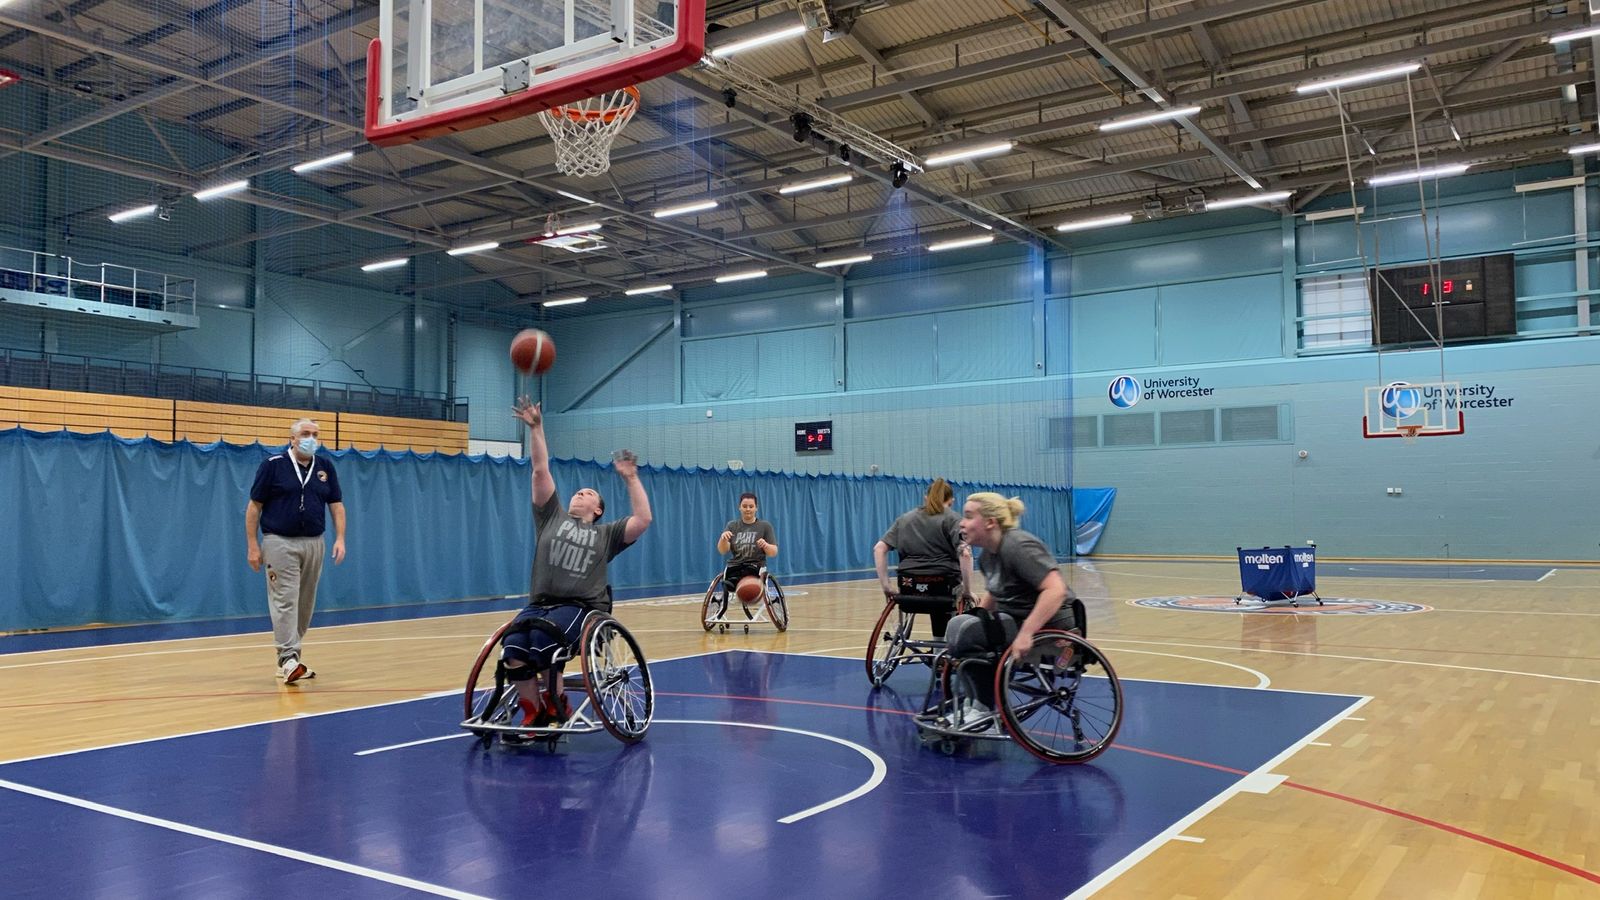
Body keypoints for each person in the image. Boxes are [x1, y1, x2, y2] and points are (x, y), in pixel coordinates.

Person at [500, 396, 651, 731]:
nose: (579, 494)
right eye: (577, 492)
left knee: (542, 640)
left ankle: (557, 704)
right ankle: (533, 709)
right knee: (512, 645)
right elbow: (541, 469)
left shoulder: (606, 534)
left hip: (580, 608)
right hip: (539, 604)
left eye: (588, 494)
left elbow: (643, 519)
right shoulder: (549, 517)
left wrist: (630, 478)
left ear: (598, 510)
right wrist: (537, 428)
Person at [942, 492, 1077, 728]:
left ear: (990, 522)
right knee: (960, 625)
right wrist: (973, 617)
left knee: (969, 633)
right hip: (1015, 619)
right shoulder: (988, 556)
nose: (961, 523)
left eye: (969, 516)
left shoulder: (1018, 545)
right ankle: (975, 703)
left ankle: (984, 708)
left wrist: (1026, 633)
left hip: (1051, 625)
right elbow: (995, 591)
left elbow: (1055, 590)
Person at [246, 418, 347, 684]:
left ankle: (290, 660)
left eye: (315, 434)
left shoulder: (325, 467)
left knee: (305, 604)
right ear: (292, 438)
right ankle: (288, 659)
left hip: (314, 542)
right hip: (280, 541)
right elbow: (254, 507)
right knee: (285, 600)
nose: (310, 438)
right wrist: (253, 545)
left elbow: (336, 505)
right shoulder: (273, 466)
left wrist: (340, 539)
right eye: (305, 433)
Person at [873, 478, 974, 639]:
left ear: (925, 497)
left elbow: (879, 549)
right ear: (951, 501)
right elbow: (966, 554)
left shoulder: (905, 519)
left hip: (908, 584)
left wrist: (886, 586)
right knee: (953, 596)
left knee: (935, 591)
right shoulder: (953, 519)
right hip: (942, 584)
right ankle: (942, 648)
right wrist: (968, 591)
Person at [712, 492, 777, 611]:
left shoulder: (765, 526)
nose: (748, 509)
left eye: (751, 506)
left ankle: (745, 588)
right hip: (735, 566)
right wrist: (723, 538)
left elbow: (773, 552)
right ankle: (723, 606)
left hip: (755, 567)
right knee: (727, 581)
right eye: (745, 506)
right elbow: (723, 550)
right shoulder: (732, 525)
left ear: (756, 508)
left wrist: (766, 545)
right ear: (739, 507)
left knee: (749, 571)